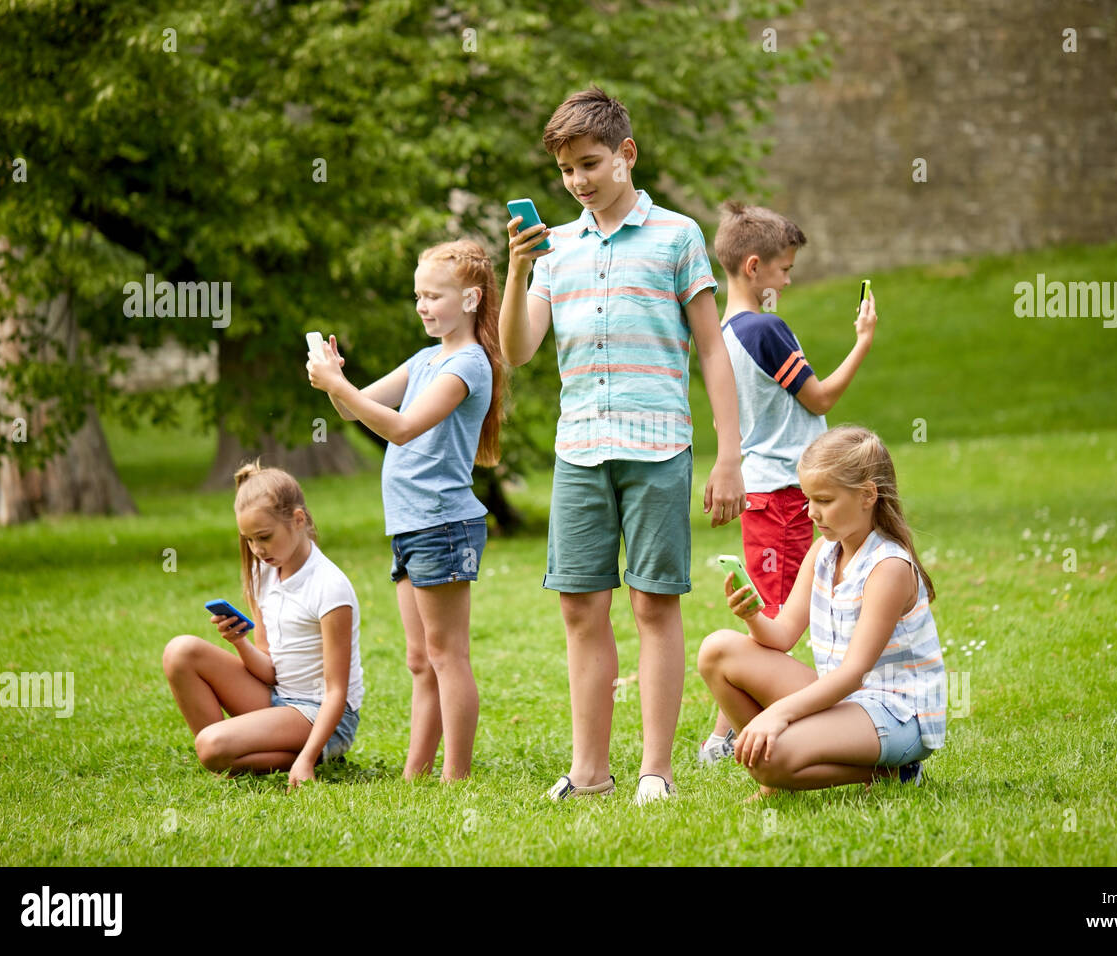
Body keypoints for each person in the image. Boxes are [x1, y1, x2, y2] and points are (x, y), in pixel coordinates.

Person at [499, 85, 746, 805]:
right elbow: (517, 350)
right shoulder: (554, 249)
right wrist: (517, 270)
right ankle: (590, 773)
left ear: (626, 155)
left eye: (590, 163)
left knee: (652, 605)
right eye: (566, 170)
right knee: (580, 607)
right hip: (579, 450)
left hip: (658, 446)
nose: (577, 180)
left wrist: (728, 454)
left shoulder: (677, 236)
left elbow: (712, 350)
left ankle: (656, 771)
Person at [307, 238, 504, 782]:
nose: (421, 305)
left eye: (433, 295)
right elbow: (353, 412)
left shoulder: (468, 365)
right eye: (417, 295)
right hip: (411, 526)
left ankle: (455, 775)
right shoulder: (425, 359)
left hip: (442, 523)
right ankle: (415, 774)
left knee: (447, 657)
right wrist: (333, 381)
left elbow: (400, 425)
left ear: (469, 299)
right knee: (421, 660)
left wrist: (338, 385)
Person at [698, 201, 877, 764]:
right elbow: (819, 397)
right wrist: (864, 339)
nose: (788, 278)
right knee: (776, 623)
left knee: (771, 616)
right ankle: (727, 736)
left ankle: (731, 730)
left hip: (763, 491)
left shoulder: (722, 331)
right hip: (785, 496)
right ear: (753, 266)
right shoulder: (765, 328)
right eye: (784, 268)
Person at [697, 426, 945, 798]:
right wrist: (752, 616)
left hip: (897, 714)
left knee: (768, 756)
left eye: (824, 500)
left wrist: (777, 715)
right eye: (808, 499)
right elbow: (782, 637)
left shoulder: (888, 568)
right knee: (717, 651)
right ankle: (780, 773)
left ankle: (895, 770)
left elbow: (852, 673)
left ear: (867, 495)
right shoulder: (823, 552)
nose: (812, 513)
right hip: (847, 700)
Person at [163, 462, 364, 791]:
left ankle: (293, 755)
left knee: (211, 745)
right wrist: (240, 642)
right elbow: (270, 671)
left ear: (298, 520)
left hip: (324, 714)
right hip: (277, 697)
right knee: (180, 651)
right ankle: (229, 756)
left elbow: (336, 693)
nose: (257, 549)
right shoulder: (263, 573)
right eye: (250, 540)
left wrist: (304, 758)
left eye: (265, 537)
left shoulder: (330, 588)